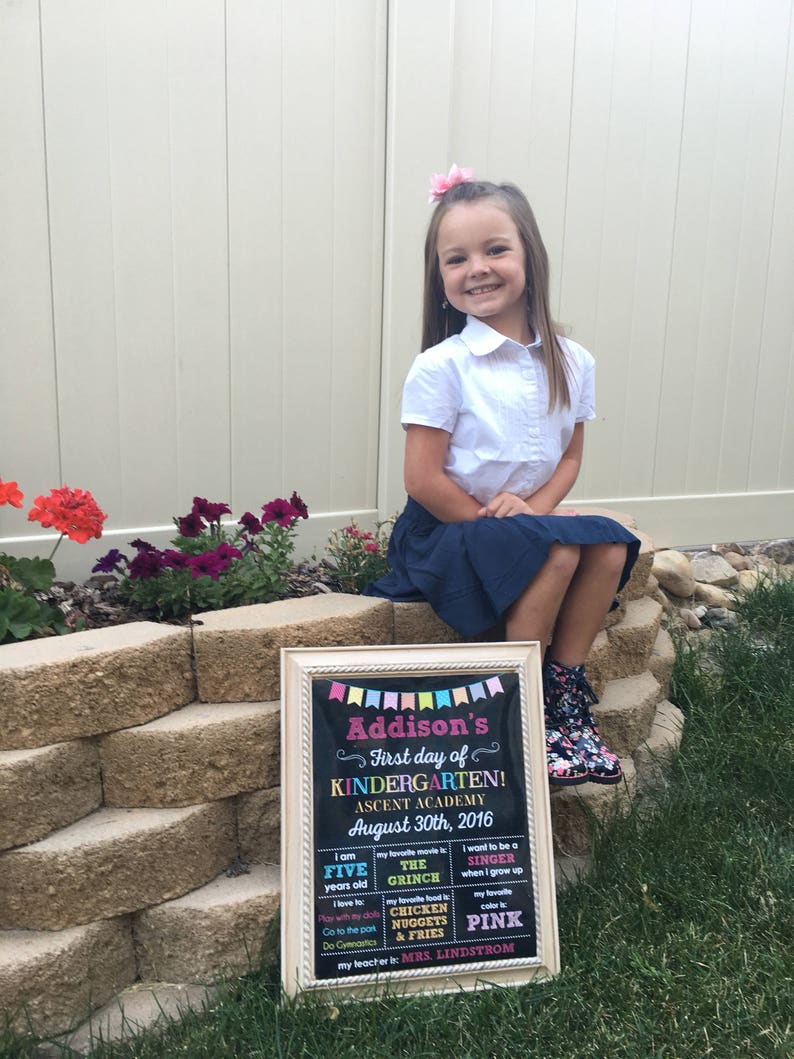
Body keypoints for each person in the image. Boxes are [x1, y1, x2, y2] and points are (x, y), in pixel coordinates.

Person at [364, 164, 641, 787]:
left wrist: (536, 512)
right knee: (558, 551)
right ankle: (520, 704)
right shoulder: (443, 367)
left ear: (529, 259)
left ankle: (565, 695)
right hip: (445, 528)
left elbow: (570, 456)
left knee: (608, 544)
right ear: (440, 279)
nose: (477, 268)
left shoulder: (571, 360)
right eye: (456, 258)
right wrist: (502, 522)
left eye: (495, 249)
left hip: (521, 521)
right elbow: (422, 480)